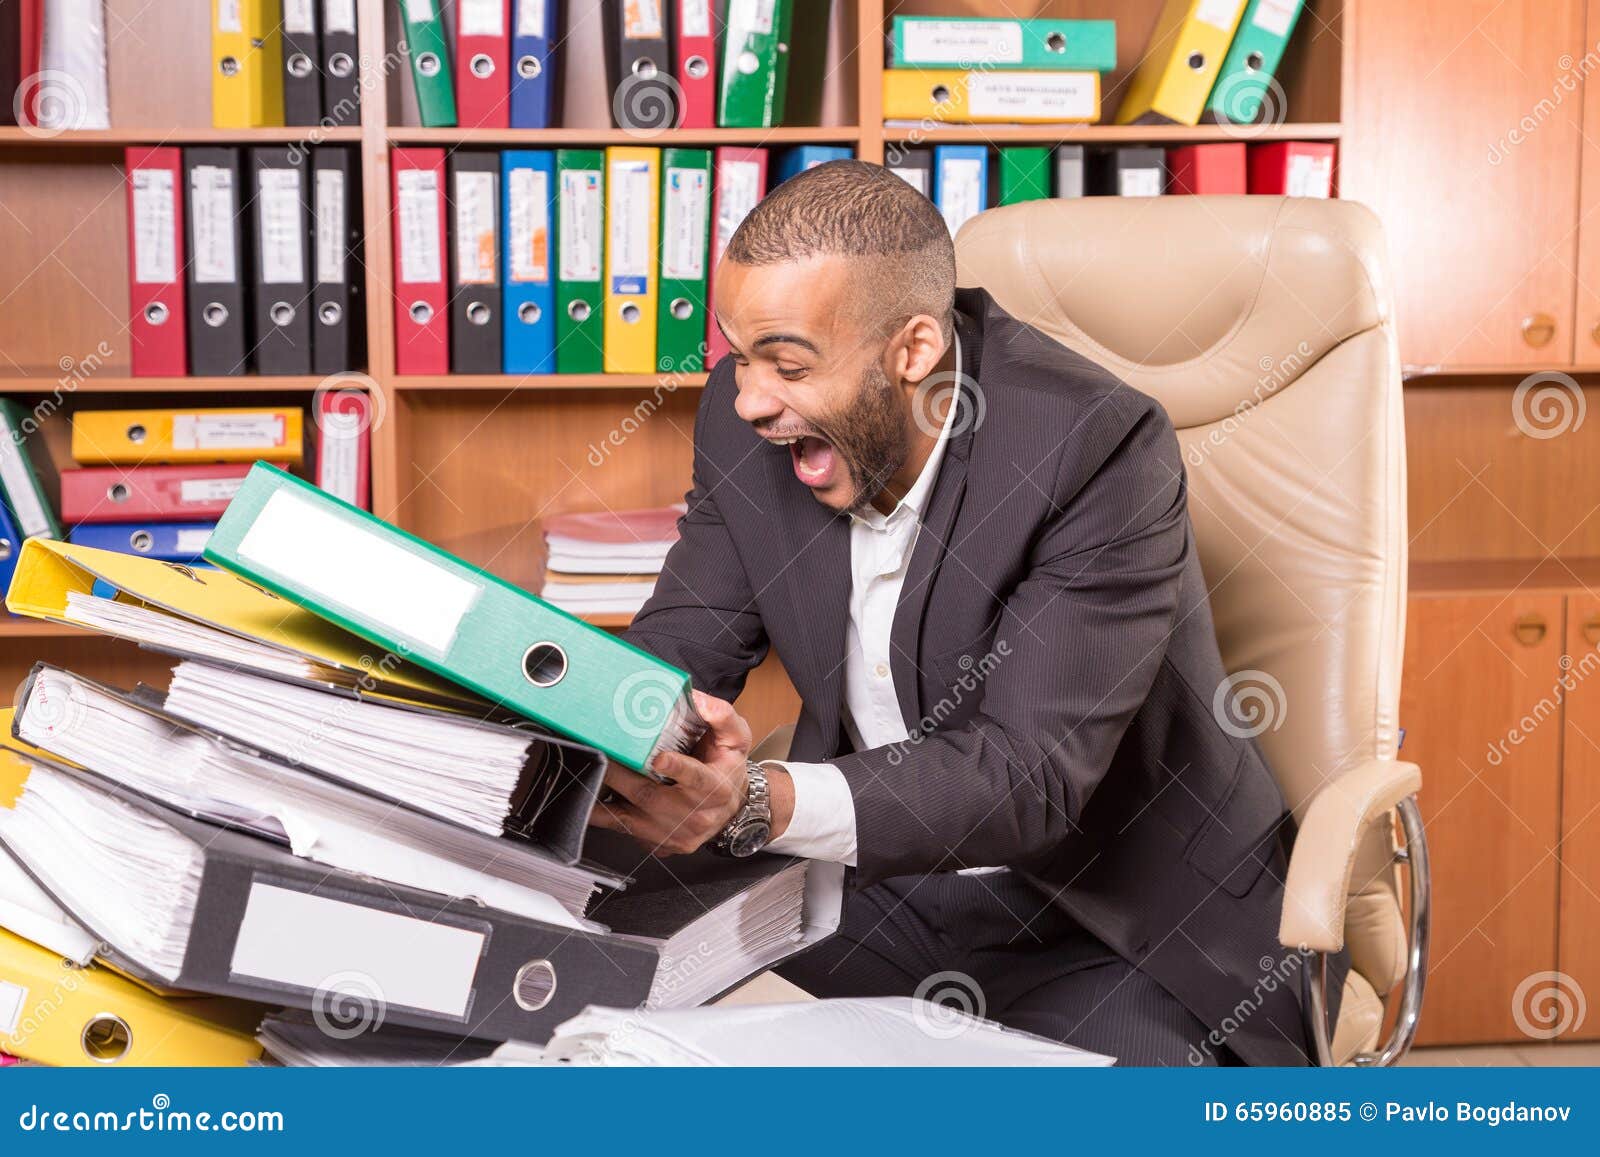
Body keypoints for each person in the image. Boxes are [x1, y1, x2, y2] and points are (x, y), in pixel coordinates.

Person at [593, 159, 1321, 1066]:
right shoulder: (746, 420)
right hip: (869, 884)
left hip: (1101, 917)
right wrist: (590, 729)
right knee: (558, 944)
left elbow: (1026, 779)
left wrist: (755, 801)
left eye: (787, 364)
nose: (749, 399)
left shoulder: (1098, 447)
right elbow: (685, 641)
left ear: (913, 350)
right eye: (739, 356)